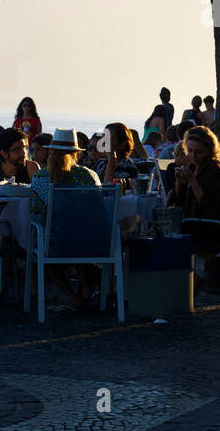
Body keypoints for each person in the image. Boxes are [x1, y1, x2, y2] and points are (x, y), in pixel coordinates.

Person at [29, 128, 102, 310]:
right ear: (75, 154)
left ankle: (71, 295)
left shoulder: (40, 177)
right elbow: (98, 210)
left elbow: (36, 214)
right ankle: (86, 287)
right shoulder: (88, 176)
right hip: (90, 242)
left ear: (51, 152)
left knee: (44, 247)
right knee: (80, 233)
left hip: (58, 243)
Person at [175, 125, 220, 293]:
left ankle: (185, 291)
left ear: (209, 151)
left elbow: (211, 206)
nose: (193, 156)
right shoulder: (195, 167)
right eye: (190, 151)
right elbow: (179, 202)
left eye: (198, 152)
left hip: (210, 229)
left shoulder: (214, 170)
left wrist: (193, 182)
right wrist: (179, 183)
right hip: (197, 223)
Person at [99, 122, 141, 187]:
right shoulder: (100, 164)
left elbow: (108, 190)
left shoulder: (129, 169)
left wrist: (111, 159)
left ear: (122, 144)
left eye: (111, 138)